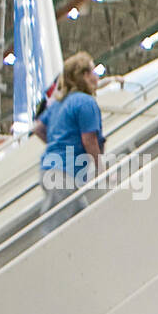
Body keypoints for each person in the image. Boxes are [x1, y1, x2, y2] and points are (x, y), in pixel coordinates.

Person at [35, 52, 103, 235]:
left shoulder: (59, 104)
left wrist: (56, 143)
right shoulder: (86, 102)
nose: (97, 77)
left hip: (50, 168)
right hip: (65, 173)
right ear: (85, 75)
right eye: (93, 72)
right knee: (54, 230)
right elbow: (89, 140)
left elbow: (38, 128)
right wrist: (100, 167)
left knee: (83, 221)